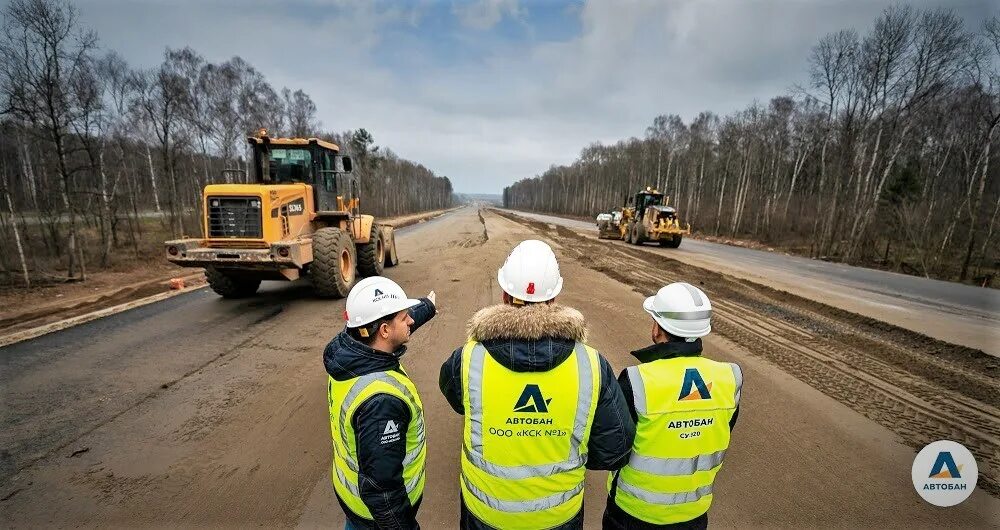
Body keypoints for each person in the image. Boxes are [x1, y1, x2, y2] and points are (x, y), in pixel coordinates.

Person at [439, 239, 635, 530]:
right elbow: (615, 448)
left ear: (504, 294)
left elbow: (458, 401)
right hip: (558, 518)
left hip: (486, 517)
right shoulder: (592, 365)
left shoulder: (467, 360)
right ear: (554, 298)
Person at [604, 282, 742, 530]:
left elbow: (613, 448)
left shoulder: (637, 380)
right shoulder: (729, 378)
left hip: (633, 513)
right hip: (693, 514)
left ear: (658, 328)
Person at [324, 276, 437, 529]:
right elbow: (382, 490)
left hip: (353, 502)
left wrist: (426, 307)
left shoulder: (350, 352)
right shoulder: (380, 402)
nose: (410, 320)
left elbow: (389, 323)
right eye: (405, 316)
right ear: (384, 330)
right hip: (376, 519)